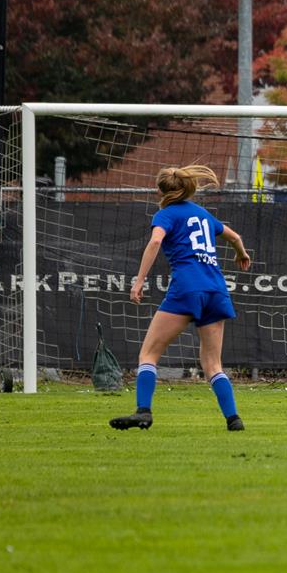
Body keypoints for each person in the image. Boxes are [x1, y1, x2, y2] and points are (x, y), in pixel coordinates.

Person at [110, 165, 252, 432]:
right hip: (216, 289)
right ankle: (234, 419)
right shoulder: (202, 214)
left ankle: (143, 411)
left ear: (160, 190)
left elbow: (154, 242)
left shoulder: (166, 214)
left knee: (149, 354)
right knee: (212, 364)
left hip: (188, 287)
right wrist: (241, 254)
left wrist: (139, 280)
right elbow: (234, 236)